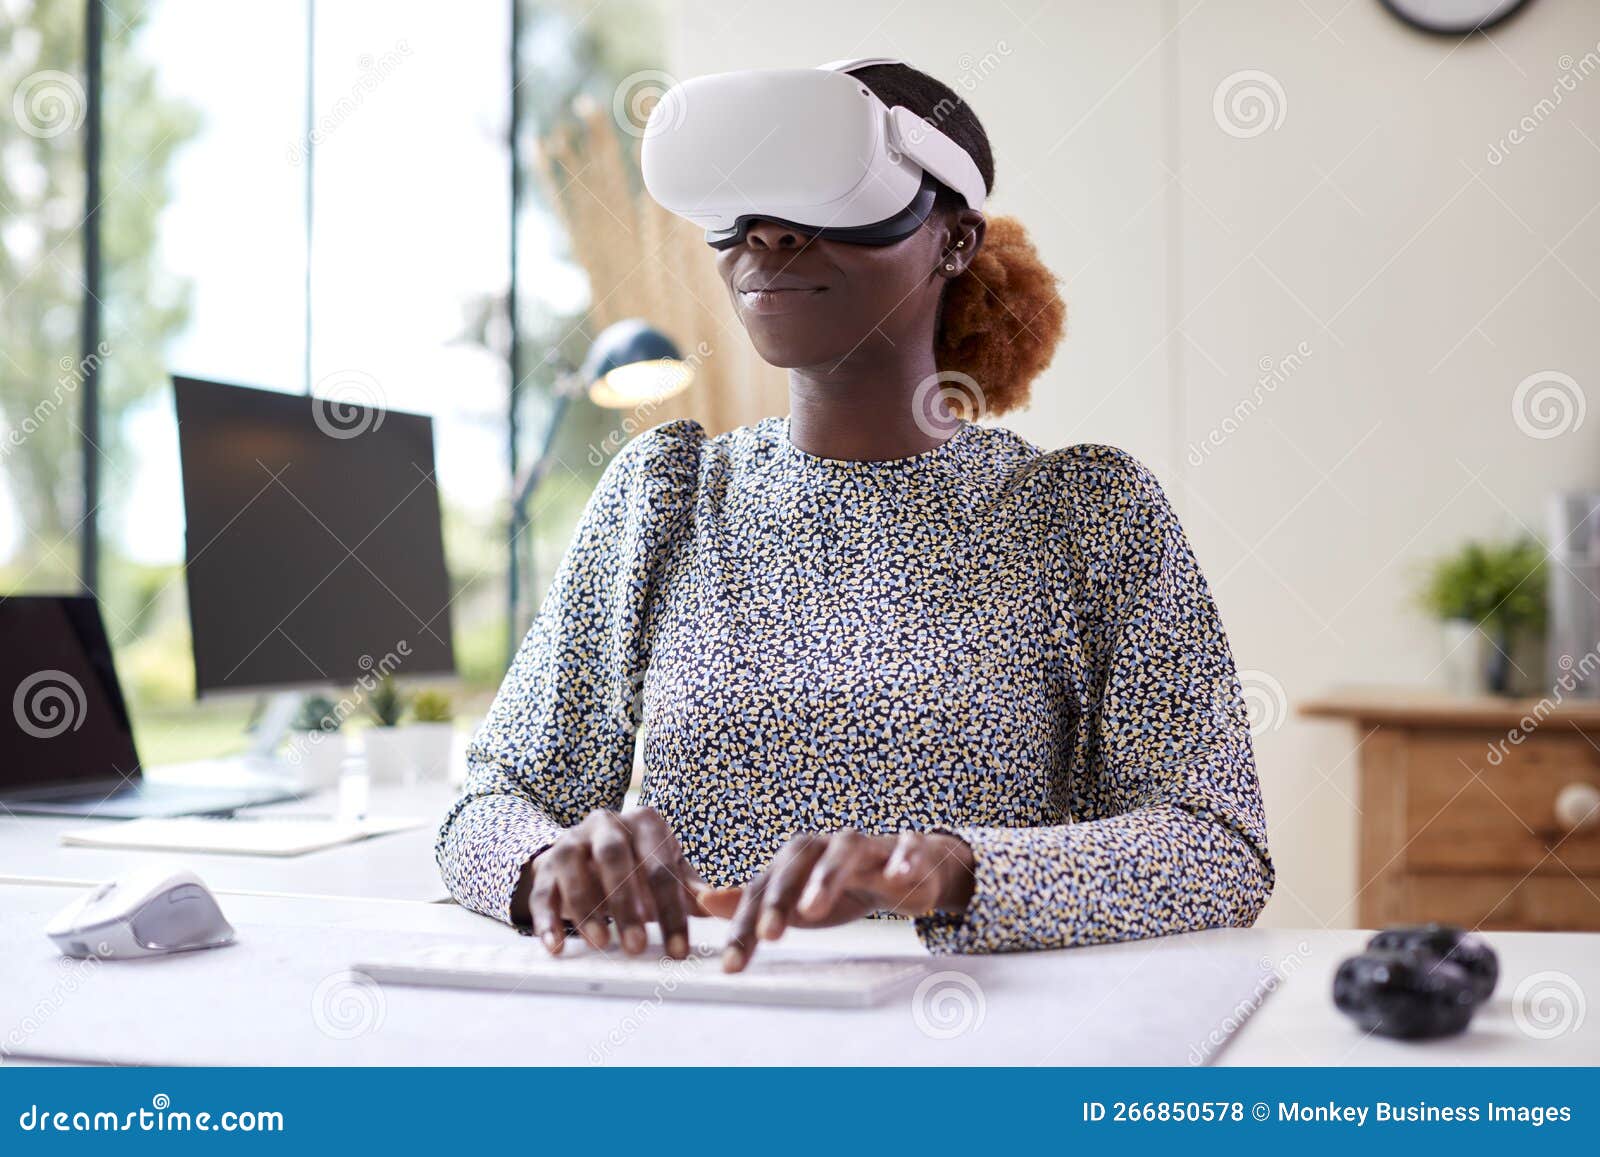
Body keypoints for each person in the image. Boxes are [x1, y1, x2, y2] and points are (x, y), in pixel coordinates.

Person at [436, 60, 1272, 972]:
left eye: (829, 199)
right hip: (697, 1040)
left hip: (979, 1047)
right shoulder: (665, 495)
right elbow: (490, 799)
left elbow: (1217, 846)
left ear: (953, 239)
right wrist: (543, 862)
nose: (768, 234)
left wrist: (942, 869)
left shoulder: (1085, 514)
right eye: (743, 209)